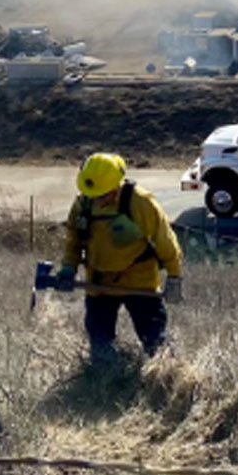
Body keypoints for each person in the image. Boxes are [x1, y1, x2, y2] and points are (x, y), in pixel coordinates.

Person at [54, 153, 183, 361]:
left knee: (156, 343)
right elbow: (74, 242)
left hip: (140, 283)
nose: (97, 199)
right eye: (93, 195)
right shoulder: (83, 205)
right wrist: (69, 267)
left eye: (102, 195)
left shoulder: (140, 202)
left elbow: (164, 240)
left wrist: (174, 276)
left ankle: (167, 374)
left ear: (116, 186)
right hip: (99, 284)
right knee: (100, 345)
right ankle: (106, 376)